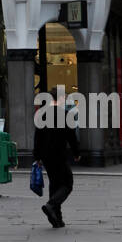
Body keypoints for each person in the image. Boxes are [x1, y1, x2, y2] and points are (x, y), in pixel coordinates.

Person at [33, 93, 80, 228]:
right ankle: (51, 205)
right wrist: (76, 152)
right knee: (67, 183)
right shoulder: (65, 115)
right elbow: (71, 136)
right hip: (59, 154)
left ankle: (57, 219)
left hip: (46, 156)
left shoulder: (42, 114)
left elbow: (37, 137)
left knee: (54, 183)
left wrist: (37, 156)